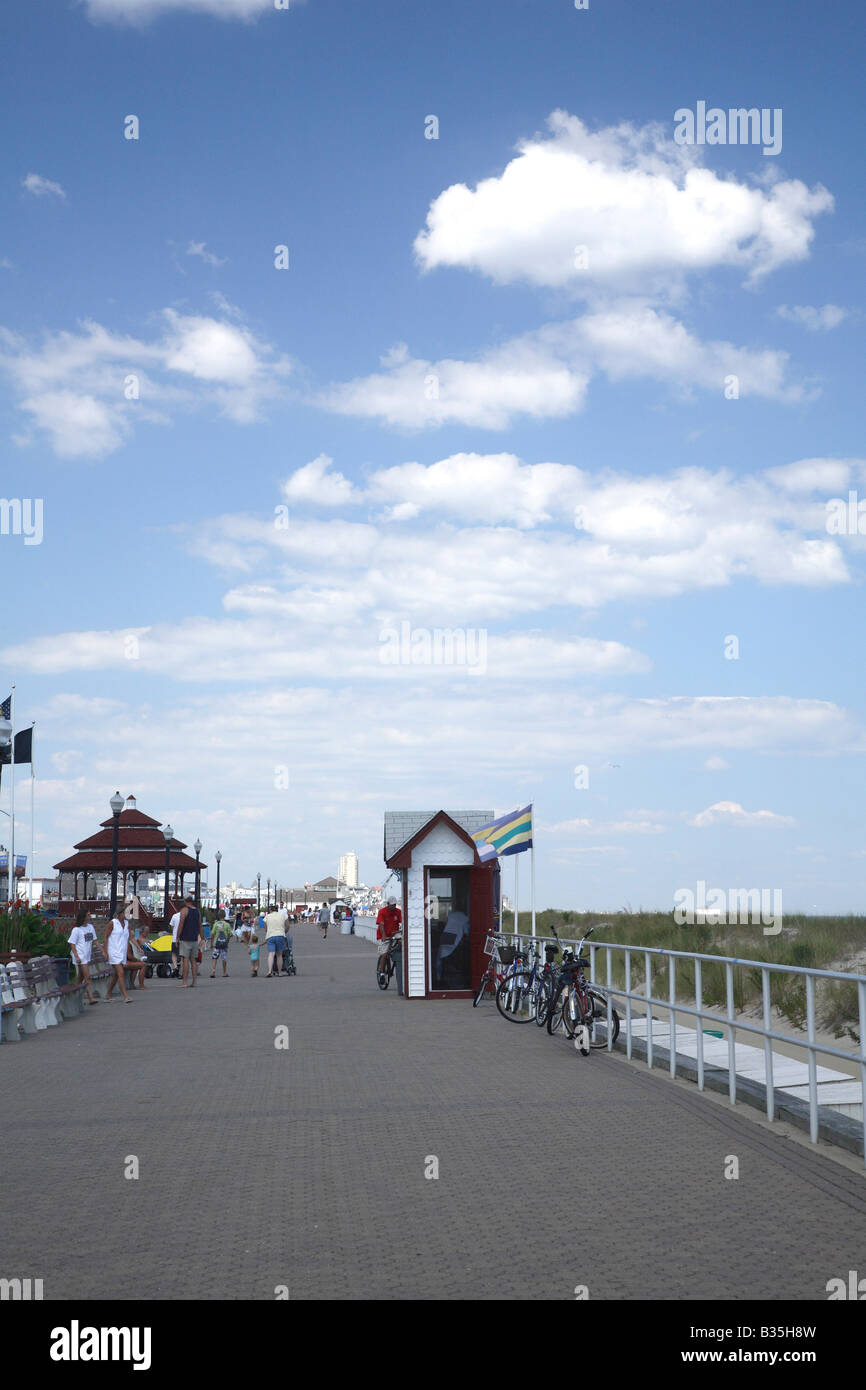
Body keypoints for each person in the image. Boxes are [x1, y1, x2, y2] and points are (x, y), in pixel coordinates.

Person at [68, 906, 99, 1005]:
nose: (90, 916)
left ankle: (75, 995)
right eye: (88, 915)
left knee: (80, 978)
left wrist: (103, 950)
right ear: (84, 916)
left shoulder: (90, 927)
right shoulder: (76, 930)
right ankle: (90, 997)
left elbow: (95, 941)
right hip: (80, 956)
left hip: (86, 955)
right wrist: (76, 956)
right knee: (87, 976)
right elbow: (72, 944)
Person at [104, 909, 132, 1003]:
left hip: (122, 952)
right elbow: (106, 937)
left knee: (117, 974)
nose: (126, 915)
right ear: (119, 914)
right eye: (124, 913)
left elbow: (130, 937)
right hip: (113, 951)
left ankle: (108, 994)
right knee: (120, 973)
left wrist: (139, 948)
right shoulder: (113, 923)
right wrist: (105, 951)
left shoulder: (127, 923)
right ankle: (125, 995)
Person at [176, 895, 204, 988]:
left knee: (185, 960)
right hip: (194, 939)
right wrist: (202, 937)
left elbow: (181, 924)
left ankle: (184, 982)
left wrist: (177, 937)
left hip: (185, 938)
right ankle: (194, 982)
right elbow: (200, 925)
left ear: (186, 901)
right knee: (193, 961)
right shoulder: (197, 911)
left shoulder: (184, 910)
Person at [376, 896, 402, 978]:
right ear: (388, 904)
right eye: (392, 905)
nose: (393, 907)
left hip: (395, 933)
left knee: (401, 943)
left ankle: (397, 961)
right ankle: (382, 973)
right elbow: (381, 924)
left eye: (394, 905)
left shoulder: (398, 912)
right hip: (383, 934)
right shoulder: (382, 912)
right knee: (384, 954)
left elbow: (402, 922)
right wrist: (383, 935)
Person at [264, 903, 287, 977]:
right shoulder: (283, 915)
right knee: (279, 955)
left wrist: (269, 931)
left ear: (270, 910)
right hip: (280, 935)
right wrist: (284, 932)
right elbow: (287, 925)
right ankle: (280, 972)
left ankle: (270, 971)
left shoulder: (267, 916)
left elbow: (265, 928)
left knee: (271, 954)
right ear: (277, 910)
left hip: (270, 935)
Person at [210, 909, 232, 979]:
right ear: (225, 916)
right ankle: (224, 972)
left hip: (216, 944)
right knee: (224, 958)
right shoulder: (227, 924)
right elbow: (230, 934)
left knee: (214, 957)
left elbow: (212, 934)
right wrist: (227, 941)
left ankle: (213, 971)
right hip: (224, 944)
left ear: (218, 916)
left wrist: (211, 943)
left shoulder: (215, 924)